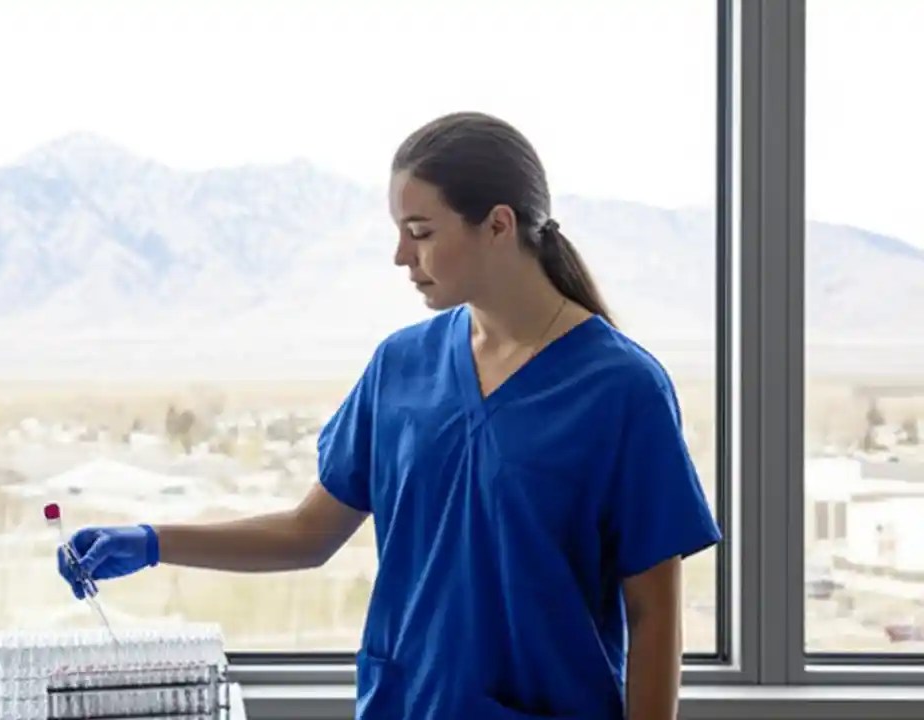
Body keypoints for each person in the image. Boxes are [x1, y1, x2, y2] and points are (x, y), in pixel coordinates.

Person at [57, 111, 722, 720]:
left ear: (497, 225)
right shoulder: (402, 366)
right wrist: (150, 542)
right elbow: (306, 534)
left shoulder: (621, 390)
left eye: (420, 232)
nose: (402, 257)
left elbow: (654, 614)